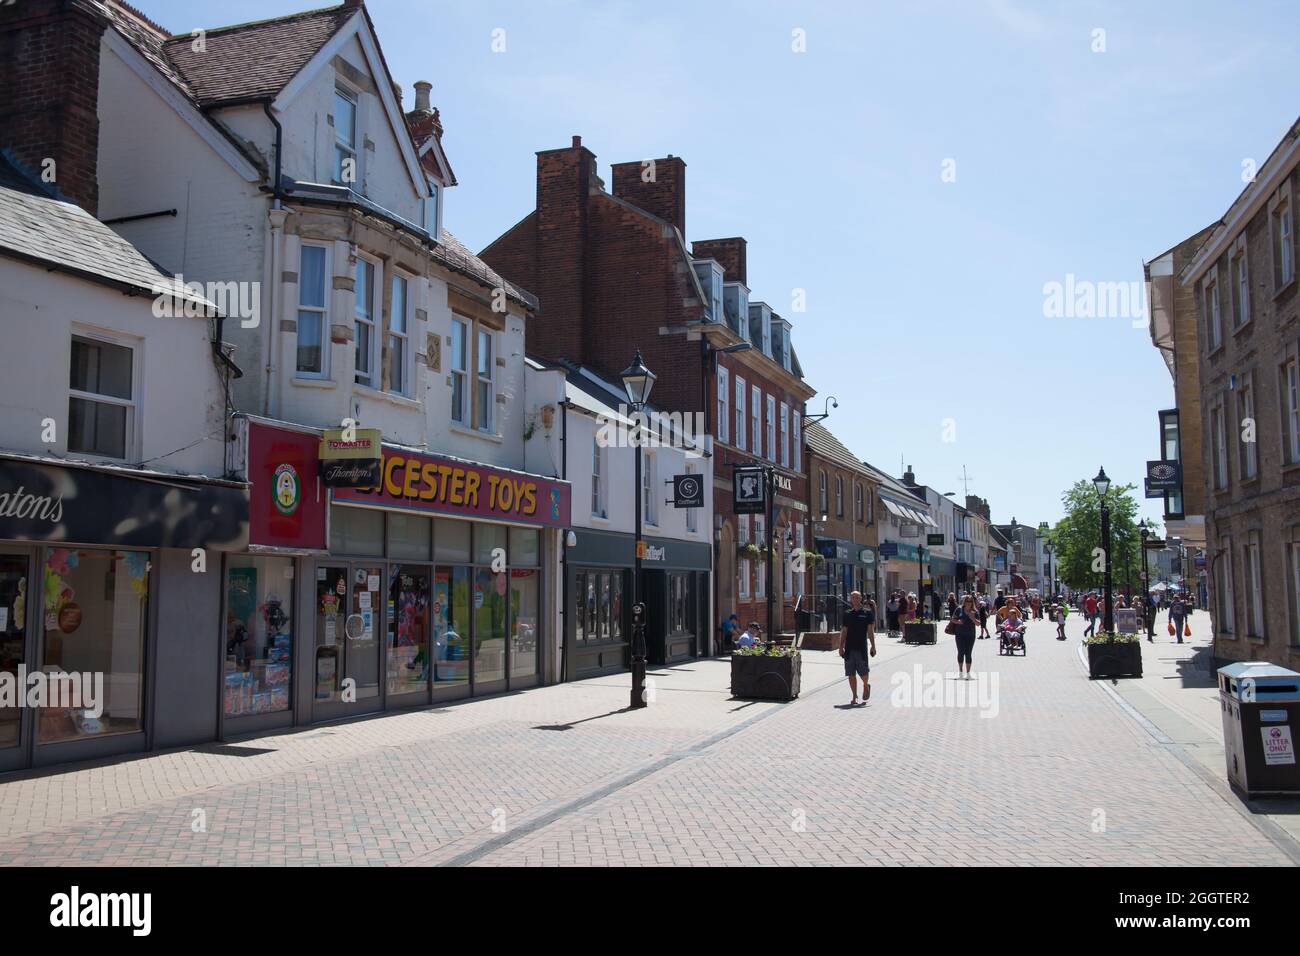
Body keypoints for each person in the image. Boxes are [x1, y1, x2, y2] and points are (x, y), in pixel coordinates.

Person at [839, 590, 877, 706]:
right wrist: (841, 647)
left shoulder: (867, 613)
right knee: (851, 673)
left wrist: (873, 646)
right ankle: (854, 695)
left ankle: (866, 685)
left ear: (861, 599)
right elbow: (844, 631)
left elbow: (870, 631)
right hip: (849, 648)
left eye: (857, 597)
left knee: (864, 672)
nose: (855, 599)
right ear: (851, 599)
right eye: (853, 597)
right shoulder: (847, 614)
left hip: (861, 647)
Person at [951, 593, 979, 680]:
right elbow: (953, 619)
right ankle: (960, 671)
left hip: (970, 634)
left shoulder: (975, 611)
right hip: (960, 634)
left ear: (972, 602)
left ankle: (968, 673)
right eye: (967, 601)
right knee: (960, 652)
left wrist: (973, 618)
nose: (968, 603)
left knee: (968, 653)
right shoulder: (959, 609)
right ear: (964, 602)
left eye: (970, 601)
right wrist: (958, 622)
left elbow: (978, 624)